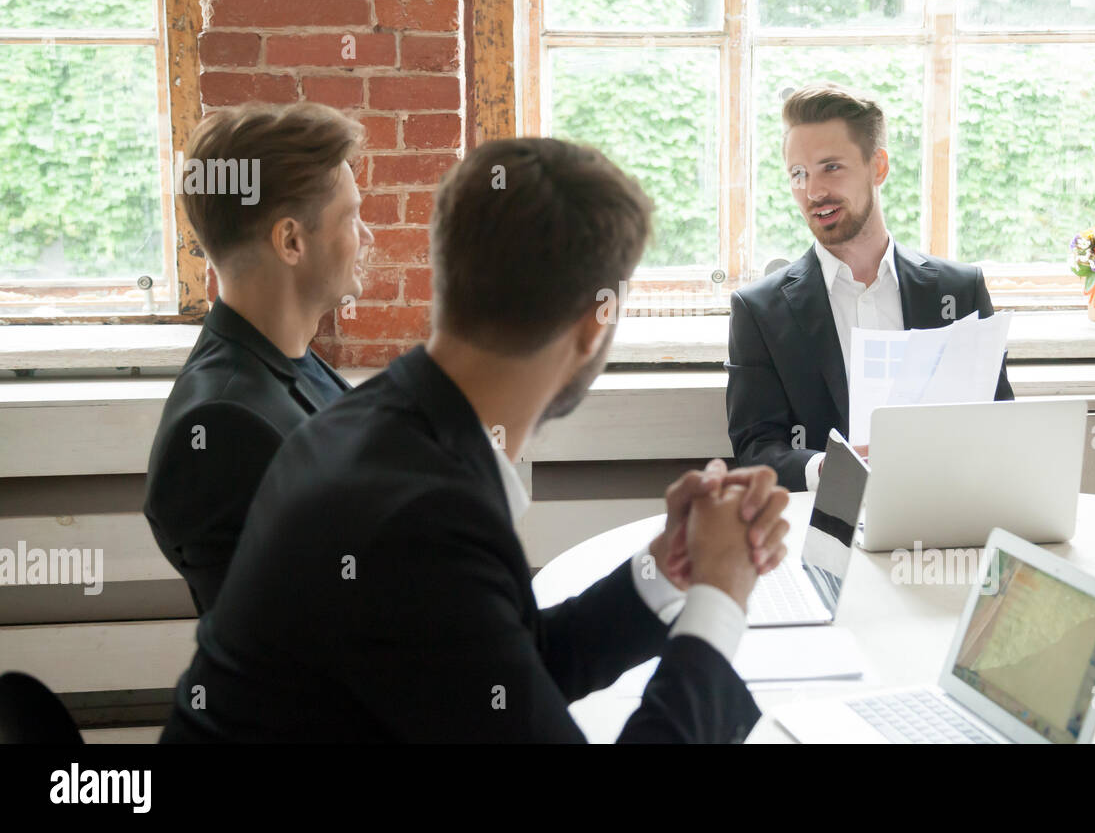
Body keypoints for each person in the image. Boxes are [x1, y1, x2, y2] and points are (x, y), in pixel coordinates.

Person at [161, 137, 791, 743]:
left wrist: (668, 567)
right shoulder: (419, 516)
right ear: (595, 325)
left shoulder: (381, 420)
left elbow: (505, 673)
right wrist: (720, 598)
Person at [727, 82, 1013, 492]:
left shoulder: (959, 291)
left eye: (831, 167)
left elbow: (1000, 421)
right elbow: (756, 449)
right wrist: (828, 470)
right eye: (798, 174)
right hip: (824, 530)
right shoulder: (758, 310)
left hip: (949, 519)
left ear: (878, 167)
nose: (813, 191)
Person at [143, 103, 373, 614]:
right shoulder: (222, 426)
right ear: (291, 240)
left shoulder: (287, 362)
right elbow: (308, 644)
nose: (367, 235)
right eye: (352, 216)